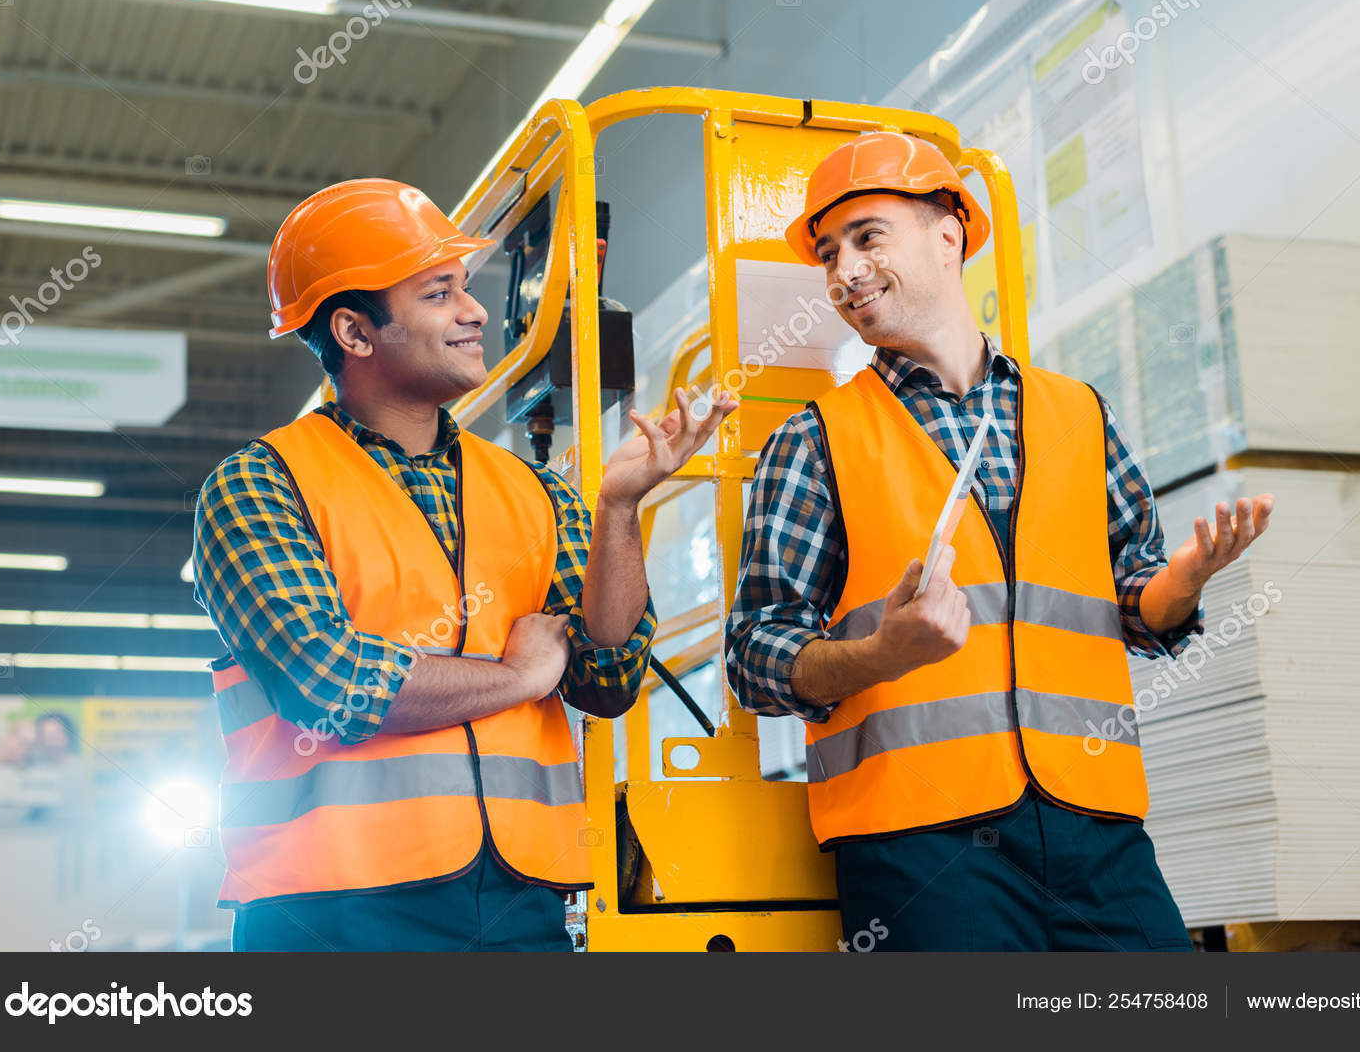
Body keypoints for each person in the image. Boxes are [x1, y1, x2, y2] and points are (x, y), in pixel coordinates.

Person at [724, 133, 1274, 952]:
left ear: (949, 234)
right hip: (921, 846)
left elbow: (1137, 600)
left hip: (1097, 827)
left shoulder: (1075, 413)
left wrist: (1186, 579)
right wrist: (881, 655)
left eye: (867, 237)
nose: (843, 273)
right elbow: (754, 656)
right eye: (828, 254)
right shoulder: (817, 441)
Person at [194, 178, 734, 951]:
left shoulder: (534, 491)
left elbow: (608, 677)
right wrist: (518, 679)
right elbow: (330, 684)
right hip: (331, 914)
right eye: (439, 293)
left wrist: (619, 511)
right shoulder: (261, 484)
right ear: (354, 331)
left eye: (467, 290)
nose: (476, 312)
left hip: (520, 908)